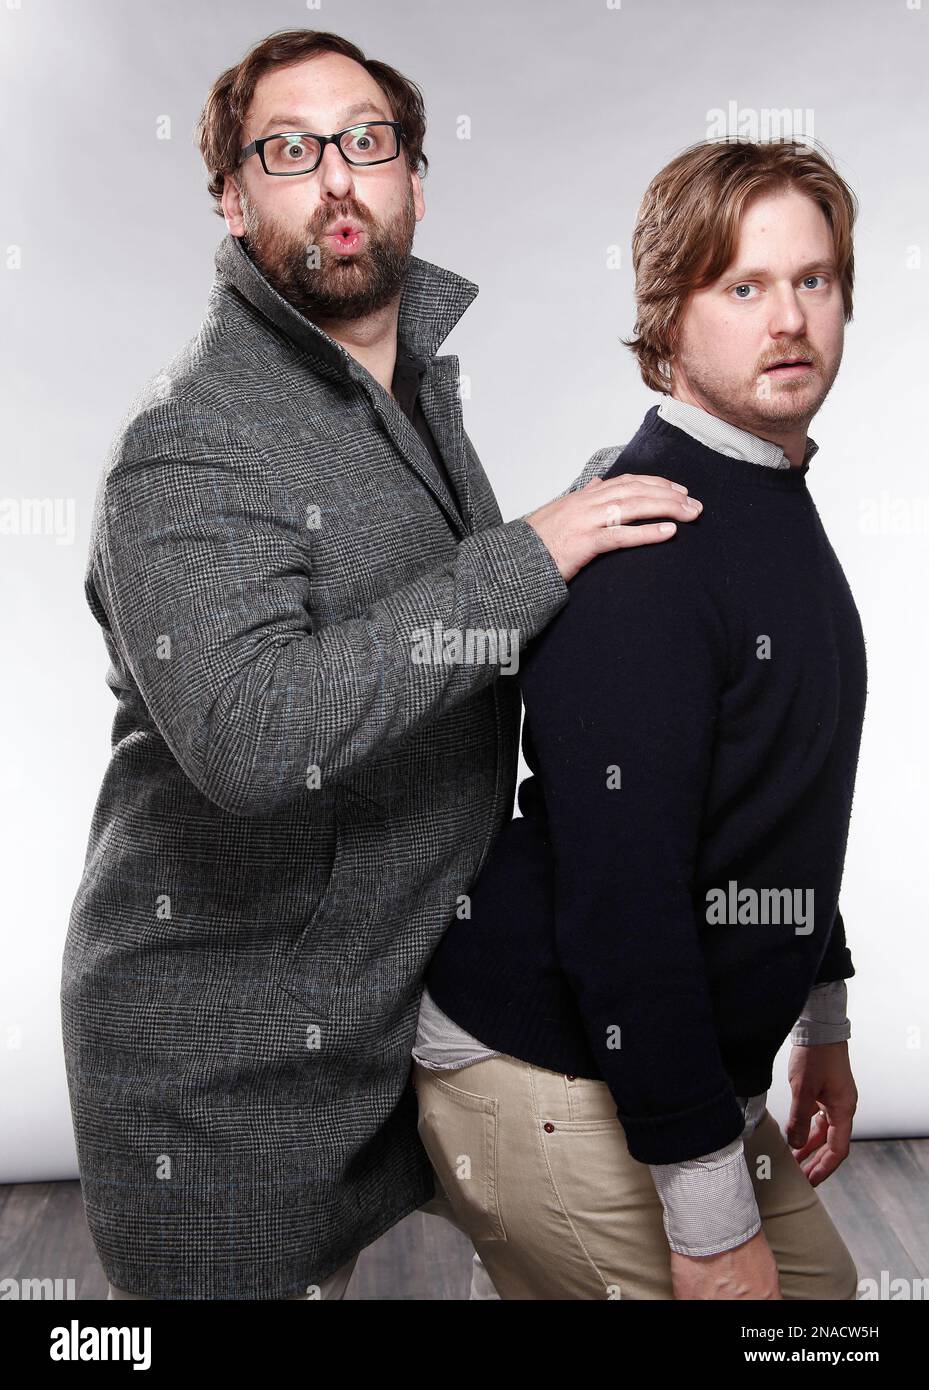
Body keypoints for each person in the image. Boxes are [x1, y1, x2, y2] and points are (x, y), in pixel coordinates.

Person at [60, 27, 702, 1300]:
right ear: (234, 200)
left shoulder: (410, 387)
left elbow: (430, 620)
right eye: (289, 151)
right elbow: (251, 733)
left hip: (385, 1018)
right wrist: (525, 557)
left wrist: (588, 543)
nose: (338, 177)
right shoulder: (189, 445)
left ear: (414, 176)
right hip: (218, 1075)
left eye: (368, 141)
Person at [414, 137, 867, 1301]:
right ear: (667, 321)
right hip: (549, 1067)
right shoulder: (650, 543)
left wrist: (823, 1016)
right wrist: (711, 1229)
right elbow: (623, 904)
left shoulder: (763, 492)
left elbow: (779, 793)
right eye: (742, 286)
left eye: (810, 280)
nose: (787, 321)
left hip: (660, 1065)